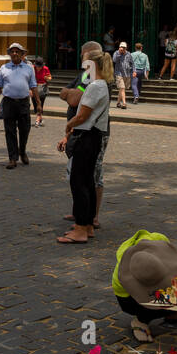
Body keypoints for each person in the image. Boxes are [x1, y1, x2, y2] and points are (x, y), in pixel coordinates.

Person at [56, 42, 110, 244]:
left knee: (79, 182)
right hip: (92, 137)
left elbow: (82, 113)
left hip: (86, 137)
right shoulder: (100, 85)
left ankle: (80, 229)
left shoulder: (96, 86)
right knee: (87, 181)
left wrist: (69, 124)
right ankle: (86, 225)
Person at [113, 231, 177, 344]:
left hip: (159, 274)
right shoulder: (124, 274)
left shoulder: (158, 239)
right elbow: (138, 297)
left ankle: (172, 313)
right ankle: (141, 321)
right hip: (130, 299)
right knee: (166, 298)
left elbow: (176, 263)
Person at [0, 42, 42, 168]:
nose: (14, 53)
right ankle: (13, 158)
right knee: (10, 131)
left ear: (22, 54)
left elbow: (34, 86)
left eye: (17, 51)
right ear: (9, 54)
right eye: (12, 51)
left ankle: (22, 151)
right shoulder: (4, 68)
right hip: (9, 102)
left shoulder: (28, 68)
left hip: (24, 103)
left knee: (25, 129)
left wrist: (38, 103)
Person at [112, 42, 133, 110]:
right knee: (122, 88)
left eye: (124, 47)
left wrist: (134, 71)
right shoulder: (116, 53)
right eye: (121, 47)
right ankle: (124, 103)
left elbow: (132, 62)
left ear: (126, 48)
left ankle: (118, 102)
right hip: (119, 73)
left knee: (122, 89)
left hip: (127, 74)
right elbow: (114, 60)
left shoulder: (128, 54)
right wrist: (119, 54)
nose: (122, 49)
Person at [33, 57, 52, 123]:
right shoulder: (32, 68)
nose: (38, 68)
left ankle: (38, 119)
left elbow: (50, 77)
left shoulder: (45, 68)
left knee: (41, 103)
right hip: (34, 88)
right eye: (37, 66)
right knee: (35, 104)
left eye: (40, 66)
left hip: (42, 88)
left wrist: (47, 78)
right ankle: (40, 118)